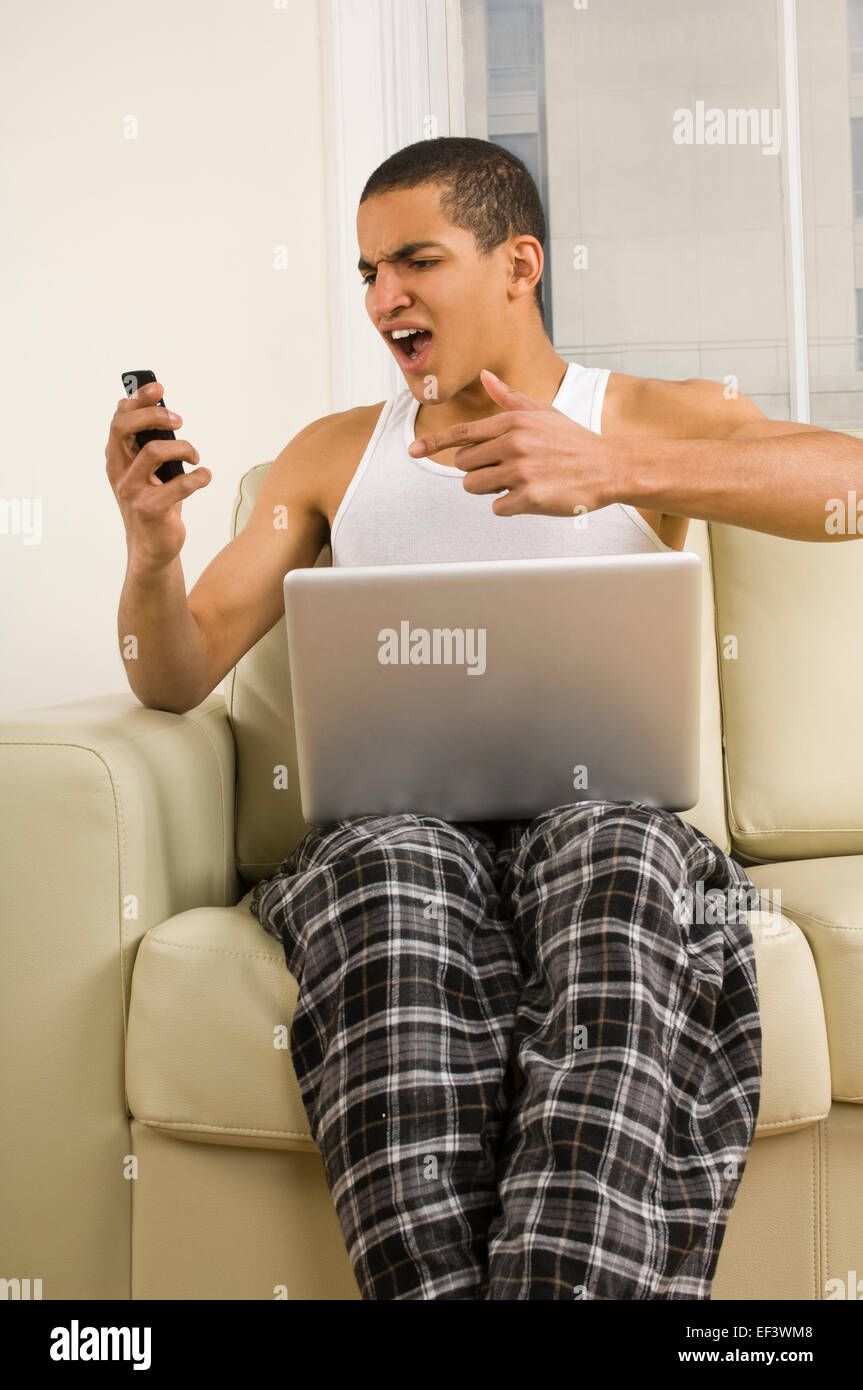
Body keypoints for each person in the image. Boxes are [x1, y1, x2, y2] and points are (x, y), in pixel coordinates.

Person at [109, 135, 850, 1298]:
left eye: (413, 261)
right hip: (396, 833)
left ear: (518, 264)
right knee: (391, 883)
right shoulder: (328, 454)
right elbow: (172, 669)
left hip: (600, 817)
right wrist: (152, 557)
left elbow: (848, 488)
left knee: (618, 863)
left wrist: (617, 468)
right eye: (364, 272)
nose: (382, 298)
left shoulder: (643, 414)